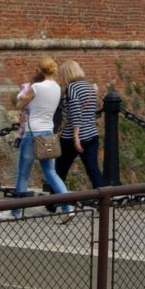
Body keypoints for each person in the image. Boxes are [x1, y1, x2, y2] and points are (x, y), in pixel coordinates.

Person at [12, 56, 72, 218]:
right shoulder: (57, 87)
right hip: (48, 133)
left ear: (40, 70)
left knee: (23, 173)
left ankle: (16, 212)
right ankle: (68, 208)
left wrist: (22, 95)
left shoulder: (36, 87)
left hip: (32, 134)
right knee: (51, 173)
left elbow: (19, 105)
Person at [55, 60, 107, 191]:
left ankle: (54, 199)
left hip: (72, 138)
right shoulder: (90, 87)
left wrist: (76, 137)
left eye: (62, 74)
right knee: (93, 169)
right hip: (91, 134)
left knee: (60, 170)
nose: (61, 77)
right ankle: (104, 198)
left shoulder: (72, 88)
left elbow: (76, 113)